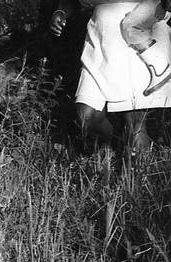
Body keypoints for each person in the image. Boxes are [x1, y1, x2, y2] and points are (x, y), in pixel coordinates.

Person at [51, 0, 171, 153]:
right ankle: (113, 152)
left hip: (134, 42)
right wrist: (61, 12)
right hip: (98, 41)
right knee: (86, 117)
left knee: (135, 126)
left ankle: (136, 173)